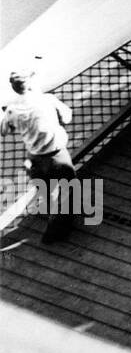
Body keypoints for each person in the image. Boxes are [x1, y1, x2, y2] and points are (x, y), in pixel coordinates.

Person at [1, 69, 79, 243]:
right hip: (57, 156)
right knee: (69, 189)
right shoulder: (47, 100)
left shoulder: (12, 110)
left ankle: (51, 217)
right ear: (30, 85)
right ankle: (57, 230)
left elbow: (3, 129)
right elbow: (67, 117)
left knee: (46, 192)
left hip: (35, 159)